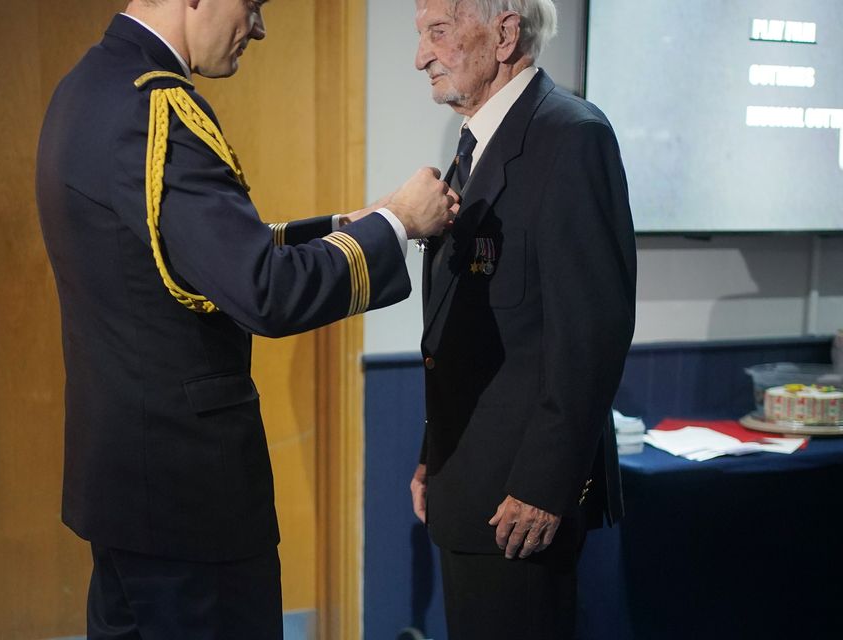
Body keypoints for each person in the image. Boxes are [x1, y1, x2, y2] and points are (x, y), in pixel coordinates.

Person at [36, 1, 457, 637]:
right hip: (189, 498)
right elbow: (263, 290)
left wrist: (353, 225)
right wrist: (398, 225)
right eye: (252, 4)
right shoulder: (156, 110)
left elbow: (197, 255)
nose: (258, 27)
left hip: (129, 485)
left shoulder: (88, 88)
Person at [408, 0, 637, 637]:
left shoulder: (571, 135)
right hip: (466, 480)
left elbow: (592, 331)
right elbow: (463, 328)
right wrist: (434, 453)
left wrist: (544, 484)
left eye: (438, 33)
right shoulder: (476, 142)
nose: (421, 57)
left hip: (519, 500)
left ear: (505, 34)